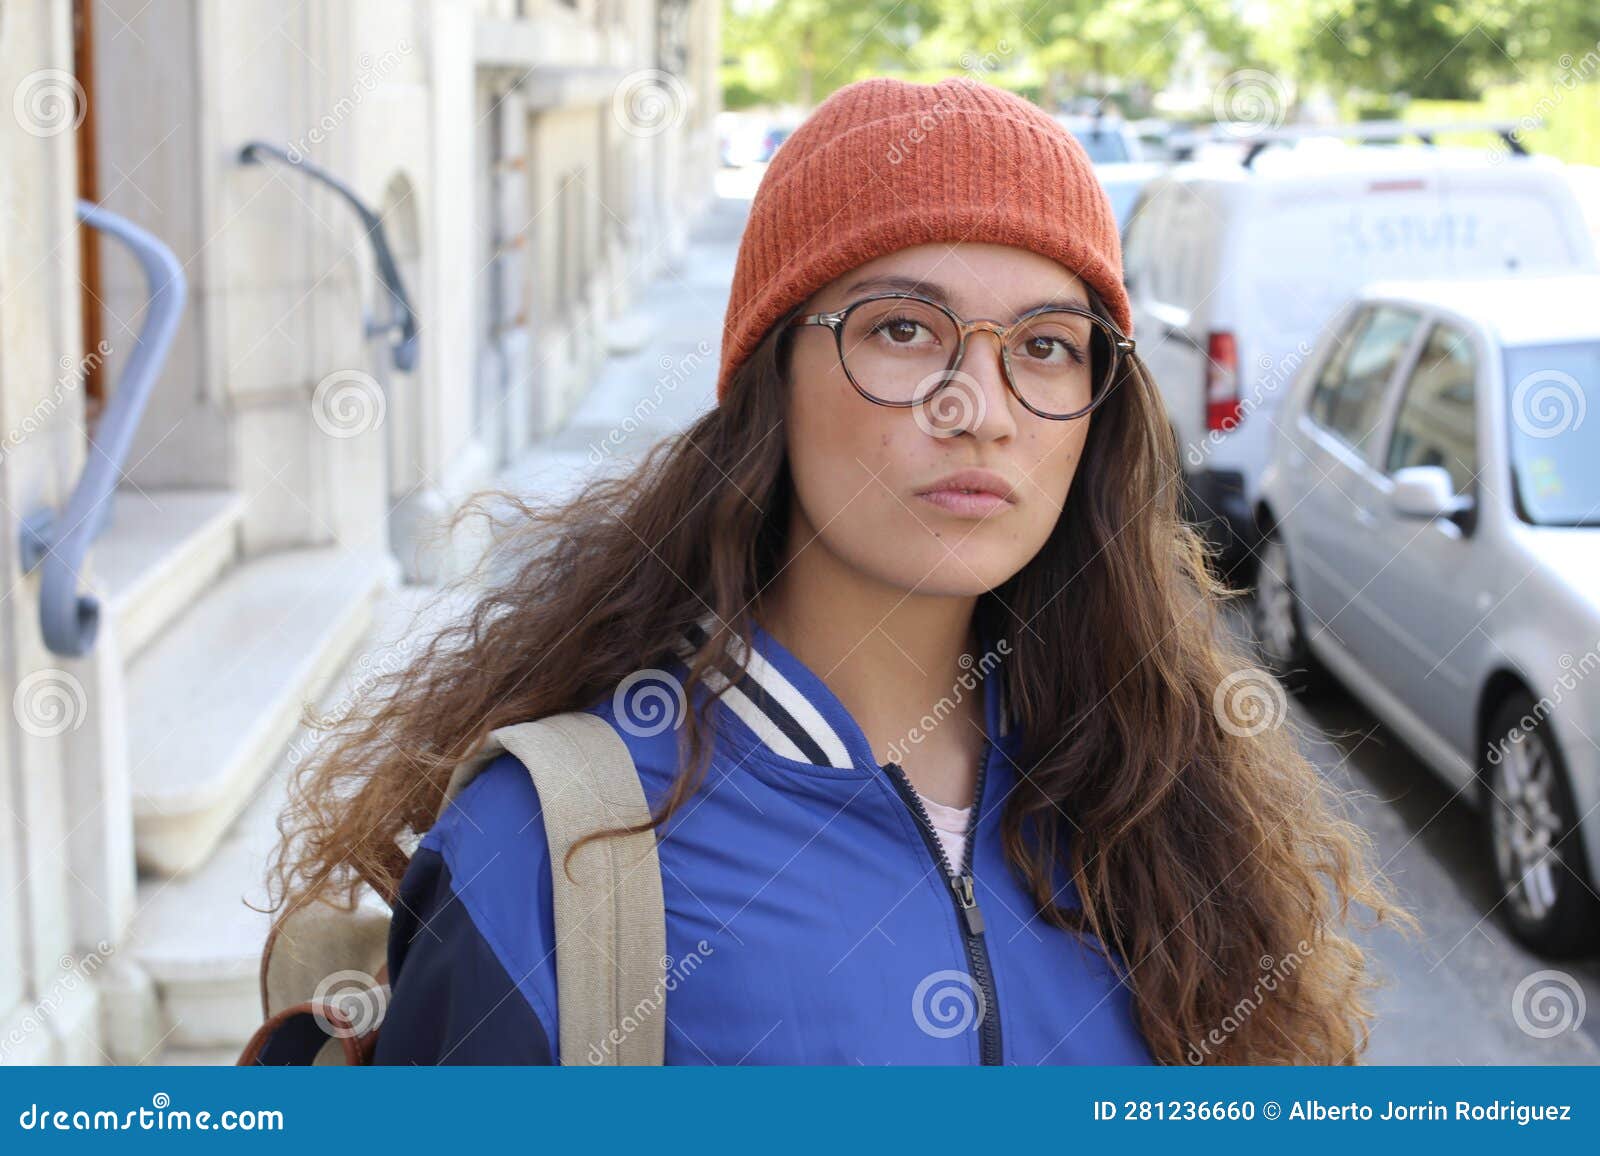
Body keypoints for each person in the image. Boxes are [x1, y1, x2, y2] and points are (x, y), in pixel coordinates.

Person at [268, 76, 1404, 1065]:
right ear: (771, 381)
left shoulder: (1151, 788)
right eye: (902, 329)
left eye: (1046, 347)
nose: (979, 407)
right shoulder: (550, 853)